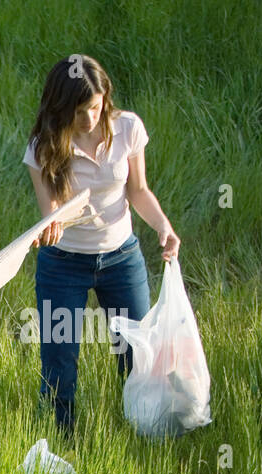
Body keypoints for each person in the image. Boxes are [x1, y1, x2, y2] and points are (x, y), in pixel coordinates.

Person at [25, 54, 180, 436]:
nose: (89, 119)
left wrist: (163, 226)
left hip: (121, 258)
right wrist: (52, 226)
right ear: (60, 108)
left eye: (94, 108)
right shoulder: (44, 146)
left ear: (105, 98)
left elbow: (139, 190)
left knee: (135, 351)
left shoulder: (127, 128)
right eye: (79, 112)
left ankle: (143, 429)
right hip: (63, 264)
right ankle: (64, 440)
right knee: (59, 359)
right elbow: (51, 212)